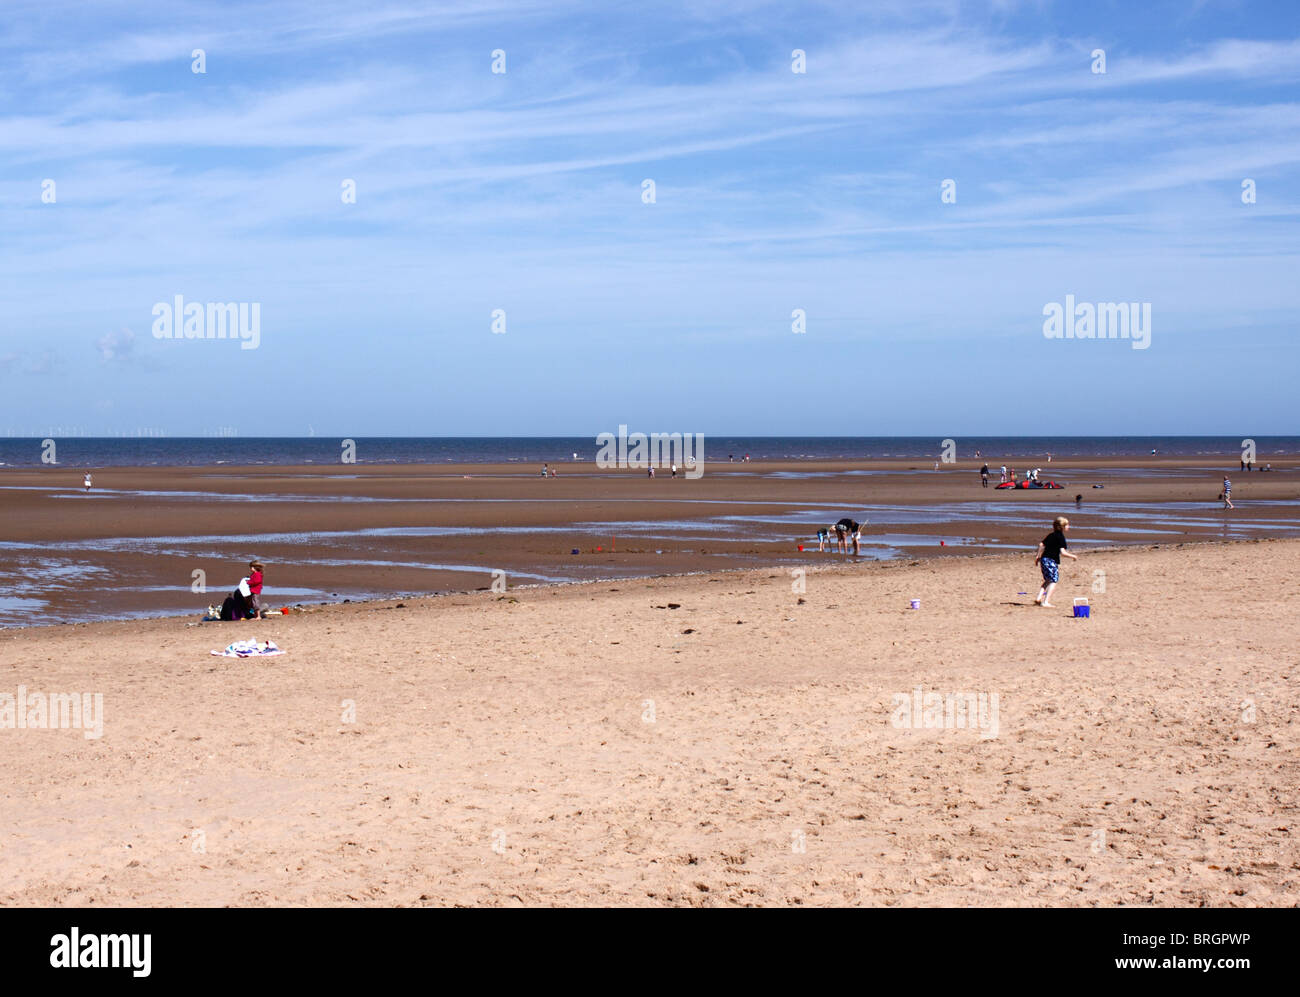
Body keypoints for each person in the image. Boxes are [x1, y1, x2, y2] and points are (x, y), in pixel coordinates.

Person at [1034, 516, 1077, 607]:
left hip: (1044, 559)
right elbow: (1062, 552)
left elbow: (1041, 545)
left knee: (1048, 580)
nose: (1068, 526)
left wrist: (1038, 556)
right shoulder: (1060, 537)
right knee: (1054, 580)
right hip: (1051, 561)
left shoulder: (1051, 535)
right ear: (1062, 527)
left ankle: (1038, 598)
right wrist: (1073, 556)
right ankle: (1045, 602)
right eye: (1067, 525)